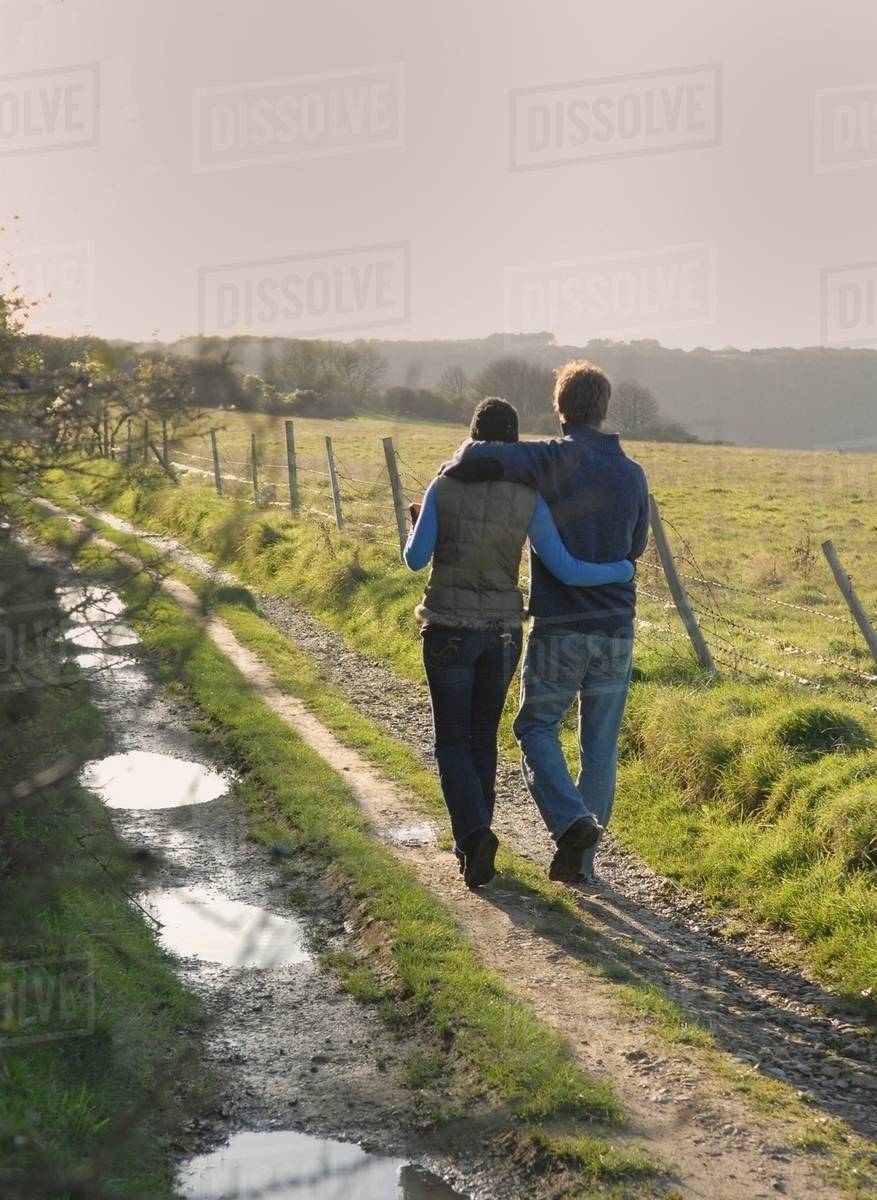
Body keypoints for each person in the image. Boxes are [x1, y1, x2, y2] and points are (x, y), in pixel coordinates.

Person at [403, 396, 634, 890]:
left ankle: (474, 836)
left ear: (472, 433)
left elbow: (415, 559)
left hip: (448, 626)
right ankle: (489, 844)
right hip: (505, 632)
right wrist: (622, 569)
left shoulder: (443, 487)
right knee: (484, 738)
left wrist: (417, 520)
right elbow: (566, 567)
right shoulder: (529, 498)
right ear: (514, 446)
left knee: (451, 740)